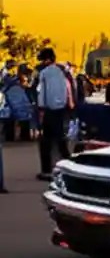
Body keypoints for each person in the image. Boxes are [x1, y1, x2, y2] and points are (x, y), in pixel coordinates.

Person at [35, 47, 75, 180]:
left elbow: (41, 93)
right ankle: (70, 165)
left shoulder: (44, 73)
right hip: (60, 110)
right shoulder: (61, 72)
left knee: (45, 142)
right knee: (60, 140)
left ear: (47, 60)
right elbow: (66, 90)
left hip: (48, 111)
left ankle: (46, 170)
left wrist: (41, 109)